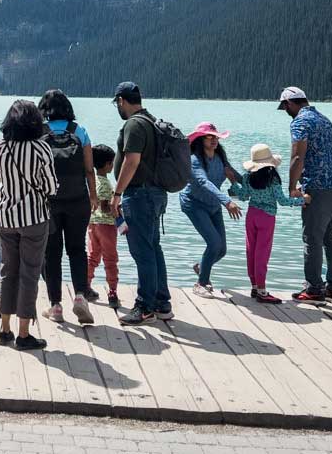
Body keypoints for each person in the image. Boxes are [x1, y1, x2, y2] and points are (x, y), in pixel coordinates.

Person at [0, 99, 57, 351]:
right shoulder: (41, 149)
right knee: (29, 273)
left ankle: (4, 329)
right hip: (33, 218)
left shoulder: (0, 148)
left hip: (5, 218)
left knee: (8, 270)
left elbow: (1, 182)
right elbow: (51, 186)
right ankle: (23, 334)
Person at [37, 89, 99, 324]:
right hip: (78, 200)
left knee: (52, 252)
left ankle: (55, 306)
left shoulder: (41, 132)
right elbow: (89, 169)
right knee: (77, 249)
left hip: (49, 202)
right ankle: (80, 296)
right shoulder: (79, 131)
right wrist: (93, 196)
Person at [111, 81, 171, 326]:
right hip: (156, 194)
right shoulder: (152, 121)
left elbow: (131, 161)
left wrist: (117, 193)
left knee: (142, 251)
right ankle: (161, 302)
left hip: (139, 195)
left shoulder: (134, 124)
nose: (118, 107)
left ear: (122, 101)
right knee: (153, 248)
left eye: (117, 103)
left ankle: (144, 306)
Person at [280, 87, 332, 302]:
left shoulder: (300, 122)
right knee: (330, 237)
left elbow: (298, 157)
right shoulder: (325, 119)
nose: (285, 111)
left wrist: (292, 187)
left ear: (290, 104)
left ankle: (314, 289)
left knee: (312, 238)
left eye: (284, 107)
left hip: (317, 187)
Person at [228, 144, 307, 303]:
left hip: (251, 216)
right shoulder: (273, 180)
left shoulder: (247, 177)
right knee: (262, 254)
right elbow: (283, 201)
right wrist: (302, 201)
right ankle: (263, 292)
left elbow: (243, 197)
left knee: (251, 250)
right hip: (267, 217)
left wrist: (233, 184)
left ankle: (255, 287)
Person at [179, 122, 242, 298]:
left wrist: (259, 186)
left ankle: (201, 268)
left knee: (221, 250)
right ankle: (201, 283)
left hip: (213, 205)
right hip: (194, 204)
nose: (214, 139)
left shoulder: (221, 158)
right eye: (209, 136)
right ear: (200, 139)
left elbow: (236, 176)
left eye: (216, 137)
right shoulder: (194, 160)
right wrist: (227, 201)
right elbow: (203, 182)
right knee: (214, 243)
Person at [86, 144, 120, 308]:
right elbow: (106, 207)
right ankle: (112, 291)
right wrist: (117, 210)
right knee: (110, 259)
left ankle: (85, 286)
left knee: (93, 257)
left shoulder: (91, 181)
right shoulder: (106, 183)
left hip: (92, 224)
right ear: (108, 165)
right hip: (106, 226)